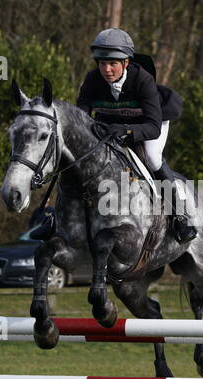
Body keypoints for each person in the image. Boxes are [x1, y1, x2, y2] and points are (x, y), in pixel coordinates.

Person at [76, 28, 195, 243]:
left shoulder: (142, 79)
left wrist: (127, 131)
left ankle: (180, 216)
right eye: (102, 63)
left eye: (113, 63)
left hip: (149, 122)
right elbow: (81, 115)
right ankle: (60, 218)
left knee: (151, 157)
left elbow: (152, 127)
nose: (107, 69)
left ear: (126, 63)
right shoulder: (92, 79)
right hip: (112, 122)